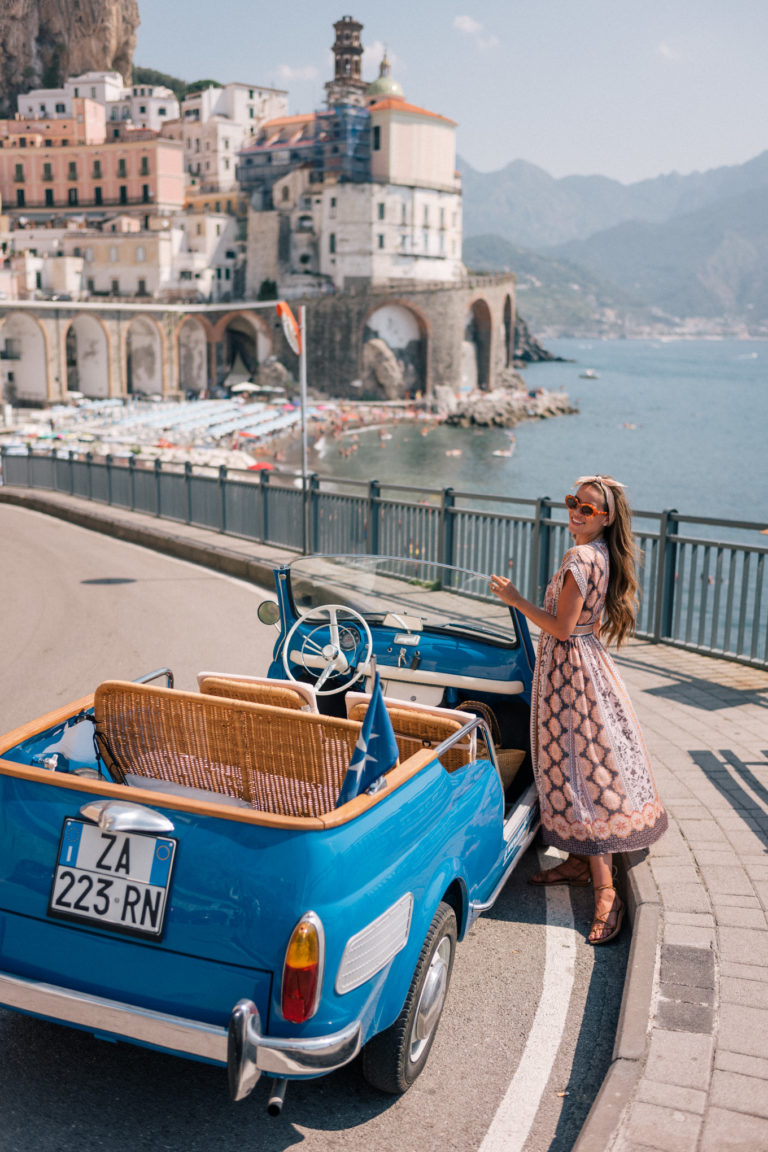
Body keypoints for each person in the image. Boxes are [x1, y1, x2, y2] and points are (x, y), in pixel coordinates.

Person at [490, 475, 667, 944]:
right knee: (579, 762)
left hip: (570, 672)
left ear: (605, 518)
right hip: (587, 666)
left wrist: (515, 599)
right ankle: (578, 862)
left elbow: (562, 628)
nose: (575, 513)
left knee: (581, 770)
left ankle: (607, 892)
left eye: (587, 509)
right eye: (573, 504)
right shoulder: (603, 554)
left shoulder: (579, 557)